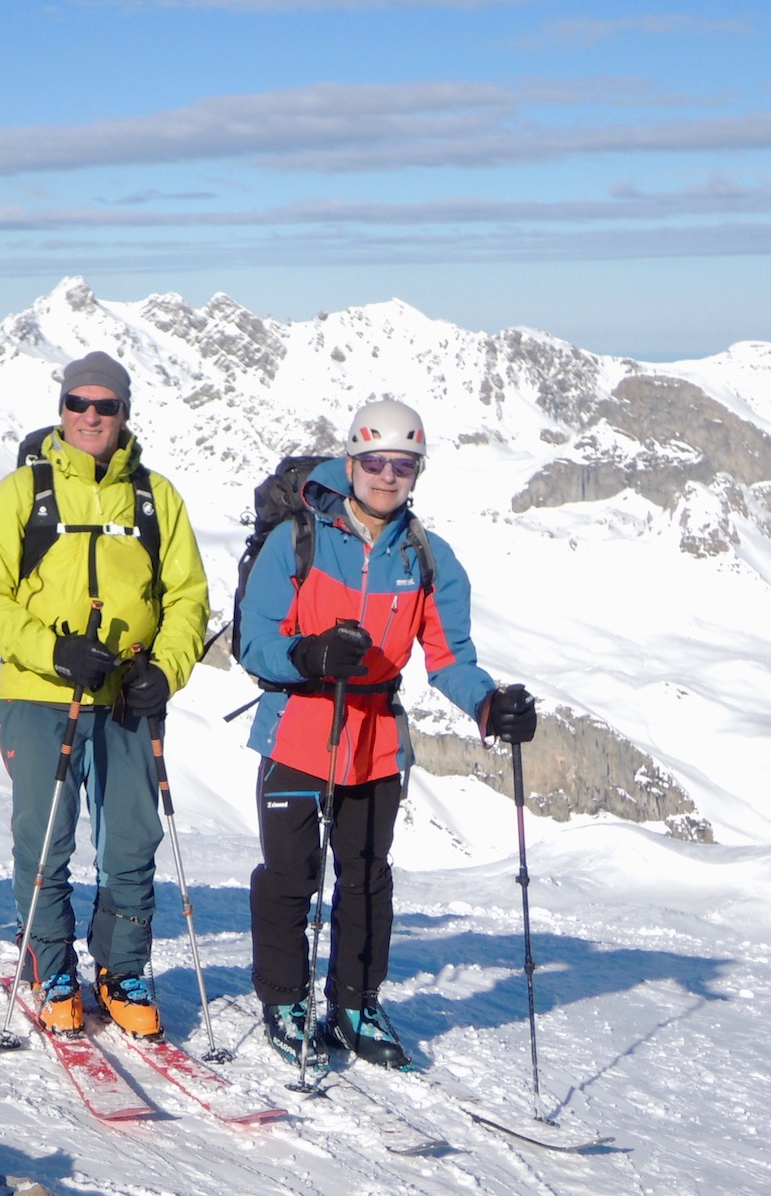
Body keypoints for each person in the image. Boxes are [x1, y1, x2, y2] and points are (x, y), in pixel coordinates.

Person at [235, 399, 537, 1068]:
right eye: (374, 462)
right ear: (351, 463)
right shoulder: (300, 538)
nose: (386, 476)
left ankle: (355, 1003)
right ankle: (286, 999)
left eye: (402, 465)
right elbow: (253, 640)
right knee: (291, 875)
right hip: (296, 729)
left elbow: (449, 657)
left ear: (416, 473)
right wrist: (309, 655)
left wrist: (491, 707)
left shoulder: (429, 556)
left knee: (367, 877)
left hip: (374, 742)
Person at [0, 351, 209, 1038]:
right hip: (40, 694)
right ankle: (51, 966)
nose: (91, 416)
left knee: (131, 839)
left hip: (128, 694)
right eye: (79, 403)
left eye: (106, 405)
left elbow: (187, 598)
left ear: (125, 413)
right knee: (45, 839)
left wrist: (167, 668)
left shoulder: (156, 498)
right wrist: (53, 649)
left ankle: (122, 969)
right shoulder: (22, 493)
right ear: (61, 408)